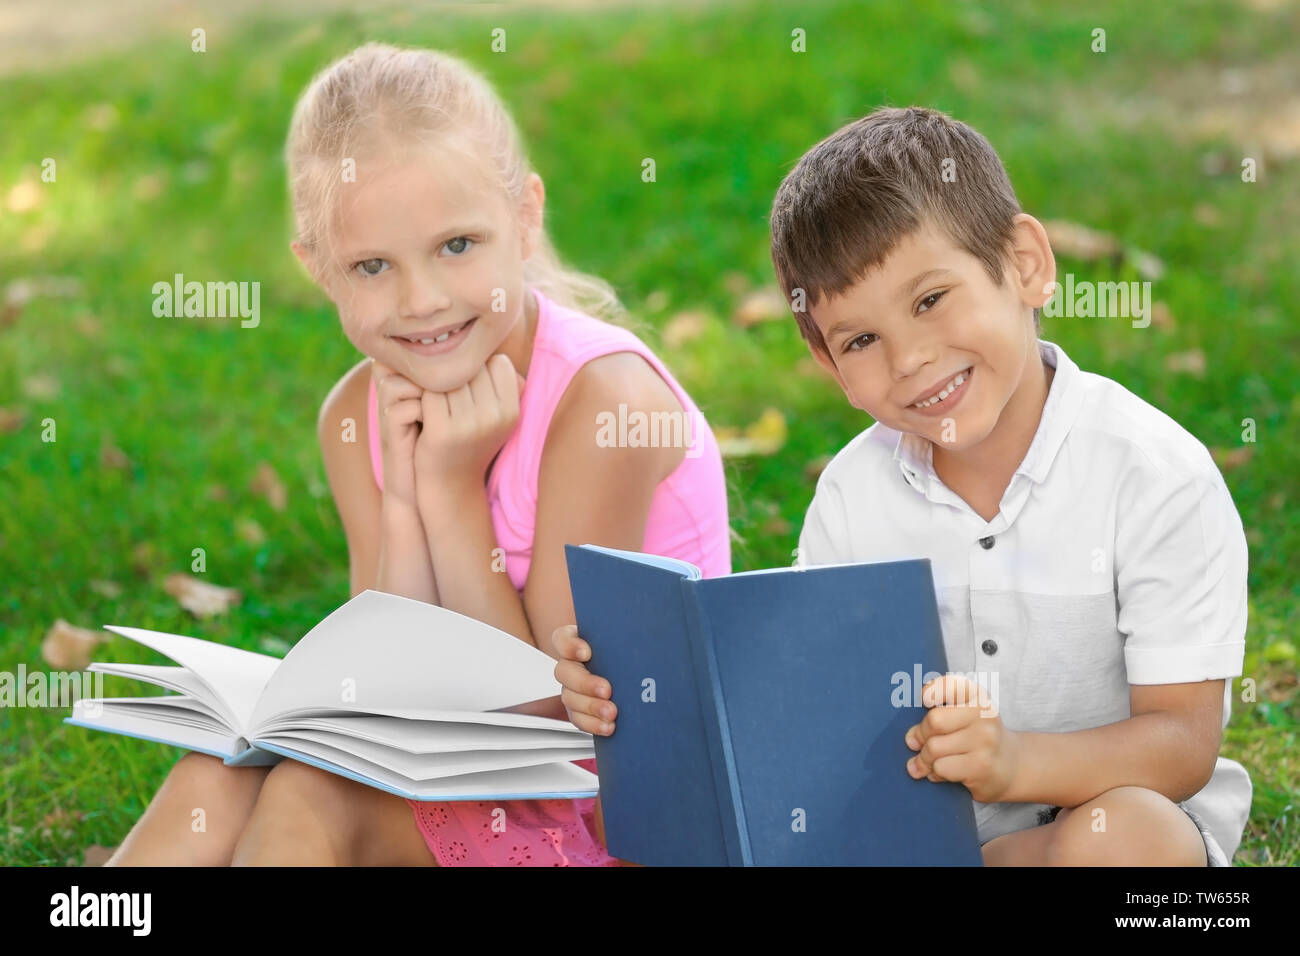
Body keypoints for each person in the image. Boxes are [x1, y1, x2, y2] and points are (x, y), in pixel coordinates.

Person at [555, 106, 1252, 866]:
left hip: (1096, 832)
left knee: (1128, 840)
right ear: (830, 368)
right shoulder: (854, 496)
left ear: (1024, 264)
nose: (912, 358)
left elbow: (1182, 741)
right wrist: (632, 695)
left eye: (930, 300)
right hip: (914, 842)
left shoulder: (1154, 476)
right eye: (861, 340)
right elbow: (811, 714)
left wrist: (1016, 763)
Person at [106, 42, 730, 867]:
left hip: (619, 814)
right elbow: (385, 673)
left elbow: (545, 710)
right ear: (318, 269)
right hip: (469, 778)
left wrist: (447, 491)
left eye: (458, 246)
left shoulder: (602, 403)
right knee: (215, 773)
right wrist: (400, 509)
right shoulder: (356, 414)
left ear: (526, 215)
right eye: (373, 265)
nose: (422, 300)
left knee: (306, 795)